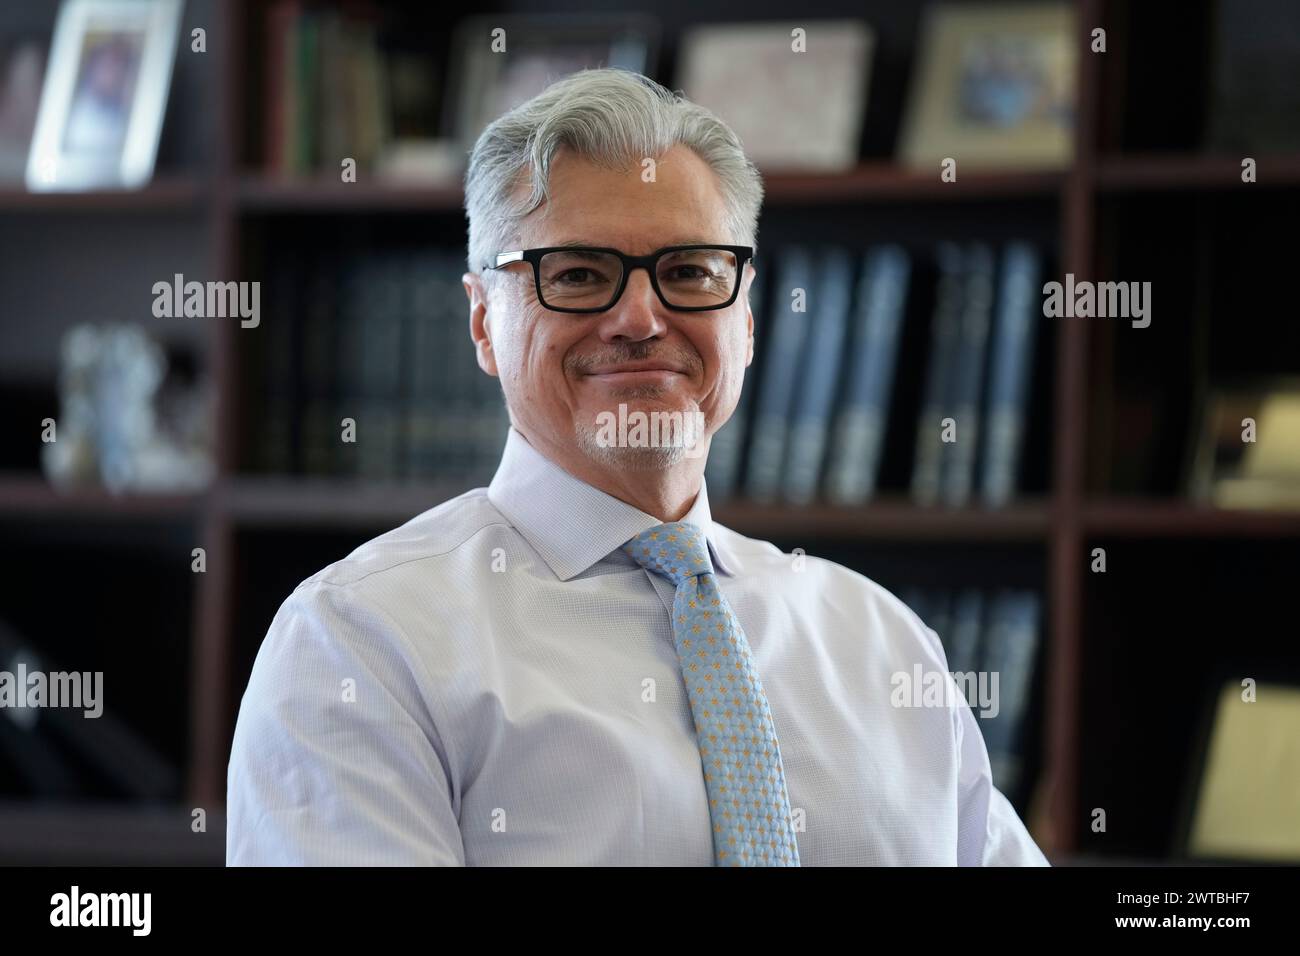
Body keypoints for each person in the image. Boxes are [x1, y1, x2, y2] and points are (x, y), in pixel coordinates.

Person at [226, 68, 1049, 866]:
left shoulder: (884, 644)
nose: (640, 318)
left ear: (748, 319)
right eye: (579, 274)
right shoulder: (359, 645)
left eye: (689, 271)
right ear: (483, 322)